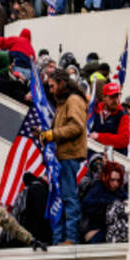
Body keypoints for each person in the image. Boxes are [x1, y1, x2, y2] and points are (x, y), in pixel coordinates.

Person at [37, 69, 87, 245]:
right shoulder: (62, 103)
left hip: (69, 157)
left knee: (69, 198)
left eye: (52, 86)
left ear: (62, 83)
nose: (50, 90)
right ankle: (58, 239)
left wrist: (53, 134)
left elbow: (77, 127)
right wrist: (44, 133)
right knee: (57, 199)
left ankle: (71, 238)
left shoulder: (73, 100)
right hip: (59, 158)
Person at [81, 162, 128, 243]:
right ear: (106, 177)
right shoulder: (97, 188)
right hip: (96, 233)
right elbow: (87, 204)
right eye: (112, 180)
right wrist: (113, 202)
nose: (115, 184)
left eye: (118, 180)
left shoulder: (120, 191)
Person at [89, 82, 130, 155]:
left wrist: (99, 137)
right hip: (95, 155)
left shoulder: (123, 115)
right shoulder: (95, 111)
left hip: (116, 158)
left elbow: (123, 140)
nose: (115, 100)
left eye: (116, 96)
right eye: (112, 97)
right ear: (104, 98)